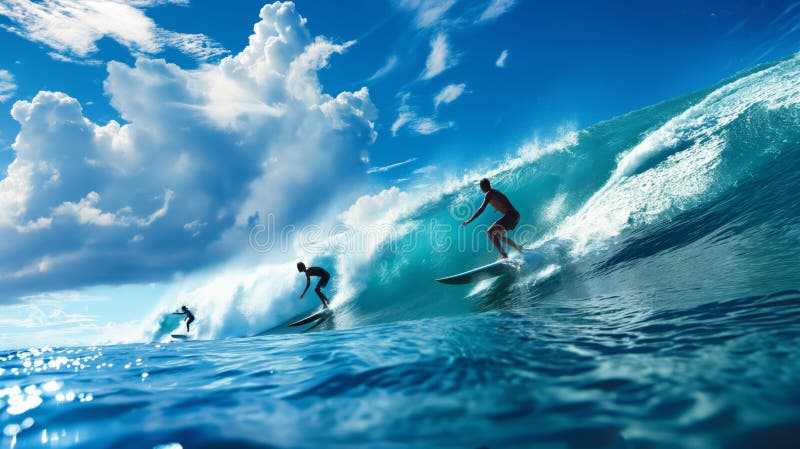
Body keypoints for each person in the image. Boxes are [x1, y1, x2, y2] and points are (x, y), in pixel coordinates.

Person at [461, 178, 524, 260]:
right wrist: (498, 208)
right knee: (498, 235)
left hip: (511, 216)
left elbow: (481, 209)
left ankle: (504, 255)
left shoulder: (489, 194)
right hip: (515, 216)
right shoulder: (495, 192)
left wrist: (469, 220)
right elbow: (503, 202)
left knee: (489, 232)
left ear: (482, 187)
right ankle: (517, 247)